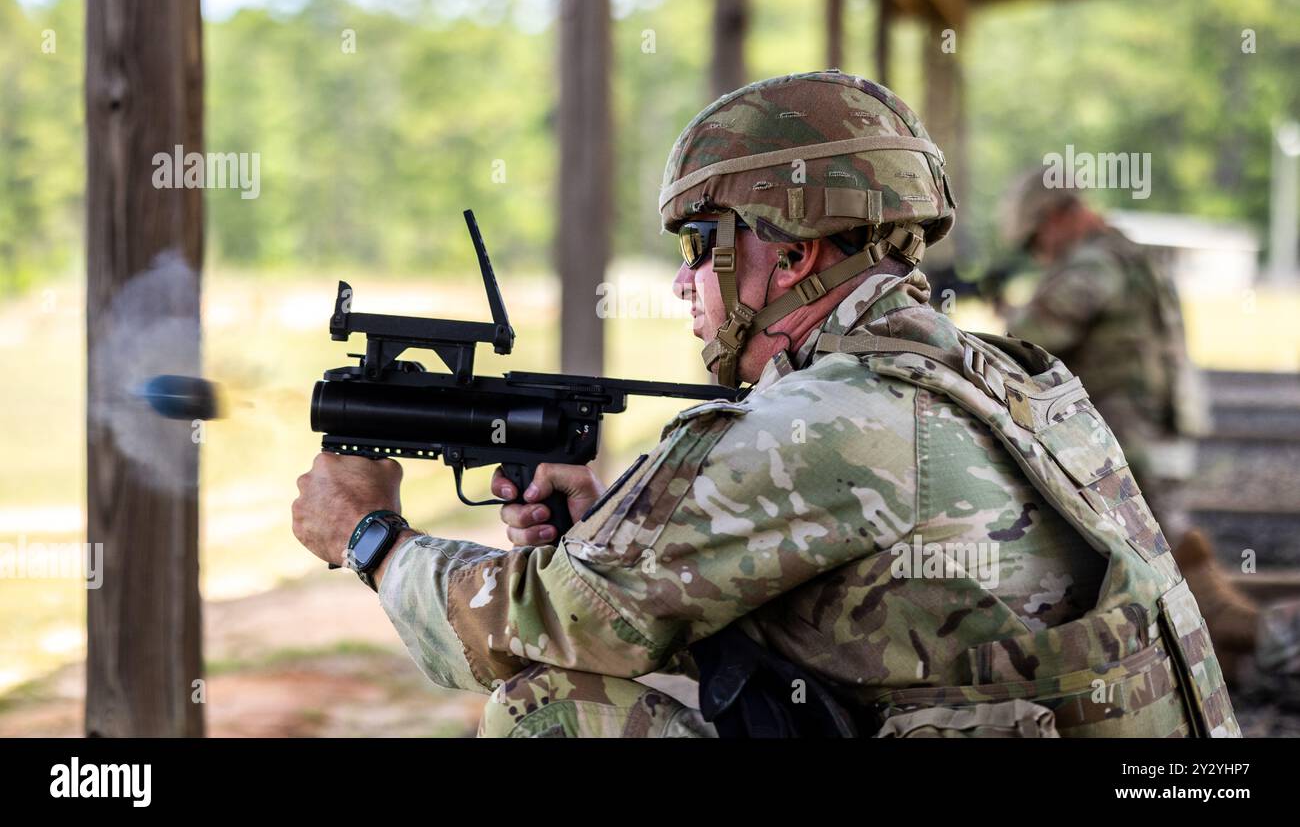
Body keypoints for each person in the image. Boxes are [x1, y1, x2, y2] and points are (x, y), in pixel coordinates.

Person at [292, 71, 1239, 738]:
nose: (683, 283)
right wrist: (616, 538)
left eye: (700, 243)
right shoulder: (1011, 375)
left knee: (550, 710)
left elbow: (534, 626)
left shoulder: (827, 422)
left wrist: (369, 537)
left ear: (792, 251)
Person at [999, 168, 1259, 682]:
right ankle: (1222, 652)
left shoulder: (1093, 263)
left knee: (1152, 563)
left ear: (1058, 216)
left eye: (1036, 240)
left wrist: (1007, 321)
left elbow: (1026, 342)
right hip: (1160, 436)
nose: (1040, 253)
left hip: (1122, 446)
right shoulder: (1132, 254)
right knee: (1162, 551)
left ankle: (1254, 640)